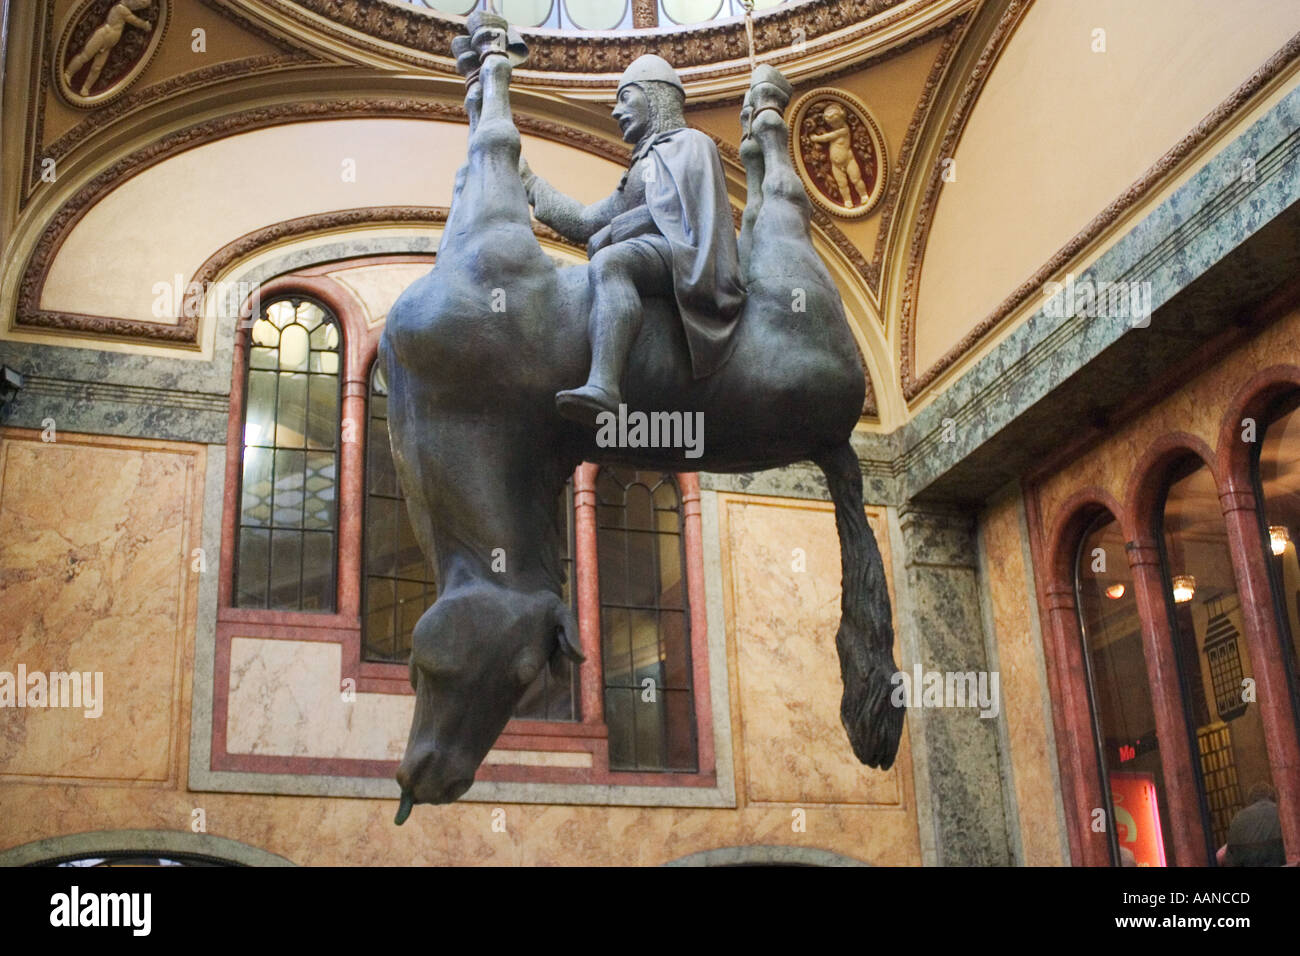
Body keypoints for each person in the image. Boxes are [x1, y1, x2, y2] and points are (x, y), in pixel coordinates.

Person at [519, 54, 746, 427]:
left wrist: (616, 232)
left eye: (626, 97)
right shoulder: (641, 165)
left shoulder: (691, 143)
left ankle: (604, 385)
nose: (615, 111)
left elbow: (679, 214)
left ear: (655, 96)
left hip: (685, 255)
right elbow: (587, 220)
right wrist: (531, 184)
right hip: (656, 253)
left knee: (611, 262)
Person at [64, 0, 154, 98]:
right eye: (139, 3)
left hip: (109, 44)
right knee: (85, 56)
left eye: (140, 7)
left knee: (98, 67)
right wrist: (145, 25)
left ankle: (86, 88)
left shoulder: (125, 9)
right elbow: (134, 20)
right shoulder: (121, 8)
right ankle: (68, 73)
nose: (137, 7)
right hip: (102, 36)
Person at [1220, 782, 1285, 866]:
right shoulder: (1281, 811)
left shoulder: (1238, 818)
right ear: (1272, 797)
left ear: (1250, 800)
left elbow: (1231, 857)